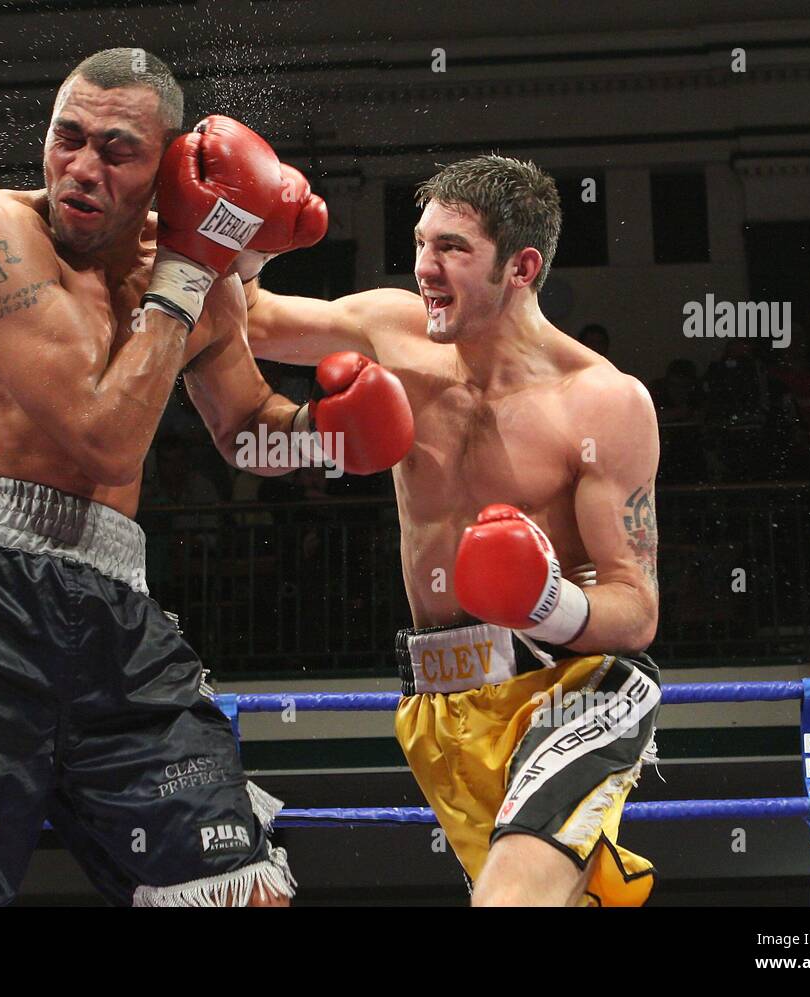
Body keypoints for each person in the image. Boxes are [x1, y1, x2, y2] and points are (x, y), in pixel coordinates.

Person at [0, 48, 408, 908]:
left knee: (240, 891)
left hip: (110, 602)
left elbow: (245, 428)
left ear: (168, 168)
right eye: (66, 138)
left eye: (117, 150)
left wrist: (328, 438)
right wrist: (188, 266)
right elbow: (103, 434)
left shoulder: (202, 285)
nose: (81, 167)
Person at [243, 155, 662, 906]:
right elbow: (249, 320)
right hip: (440, 703)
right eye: (420, 243)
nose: (424, 268)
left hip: (572, 687)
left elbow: (637, 606)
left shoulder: (603, 402)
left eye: (452, 249)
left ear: (522, 266)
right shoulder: (391, 331)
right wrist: (246, 231)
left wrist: (547, 602)